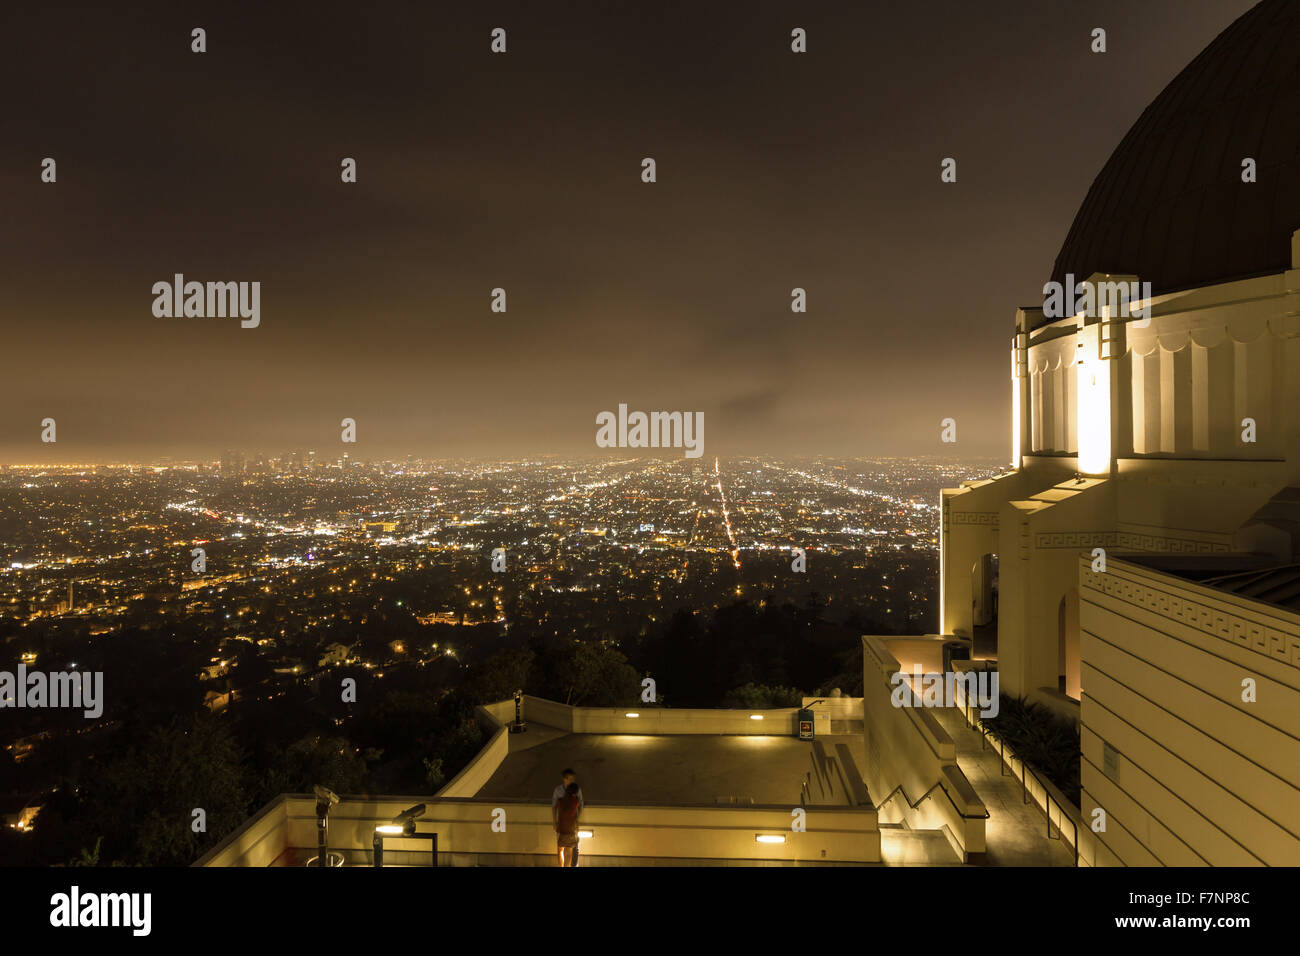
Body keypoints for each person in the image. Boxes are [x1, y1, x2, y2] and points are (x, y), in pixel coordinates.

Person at [552, 768, 583, 866]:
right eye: (569, 779)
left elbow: (555, 806)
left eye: (573, 779)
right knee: (565, 849)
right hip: (569, 825)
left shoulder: (563, 797)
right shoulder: (559, 790)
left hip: (564, 825)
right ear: (564, 779)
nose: (571, 781)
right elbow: (580, 805)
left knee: (563, 848)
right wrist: (554, 821)